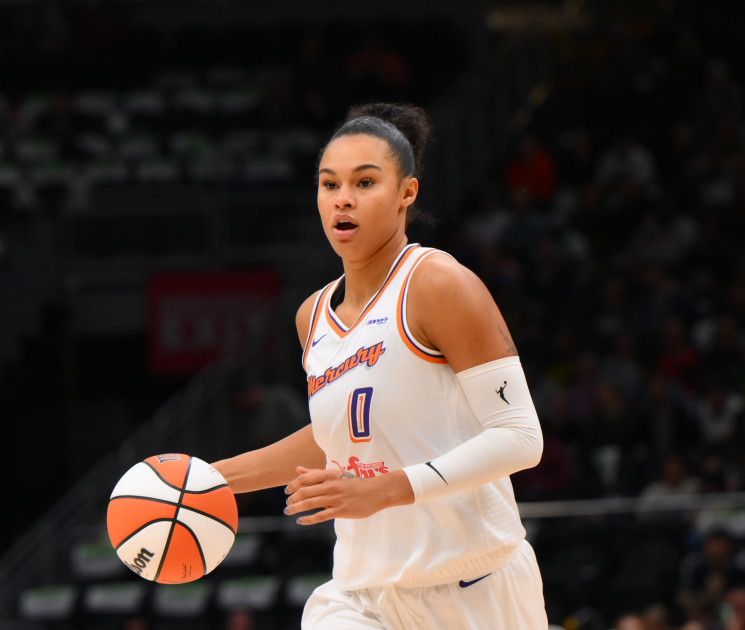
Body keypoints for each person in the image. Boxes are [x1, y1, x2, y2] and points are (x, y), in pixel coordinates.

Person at [211, 103, 547, 628]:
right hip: (362, 592)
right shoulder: (312, 315)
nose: (343, 198)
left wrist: (385, 489)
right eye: (330, 184)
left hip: (474, 586)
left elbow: (521, 437)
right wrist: (210, 480)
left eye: (365, 183)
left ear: (406, 193)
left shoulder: (437, 284)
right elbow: (340, 434)